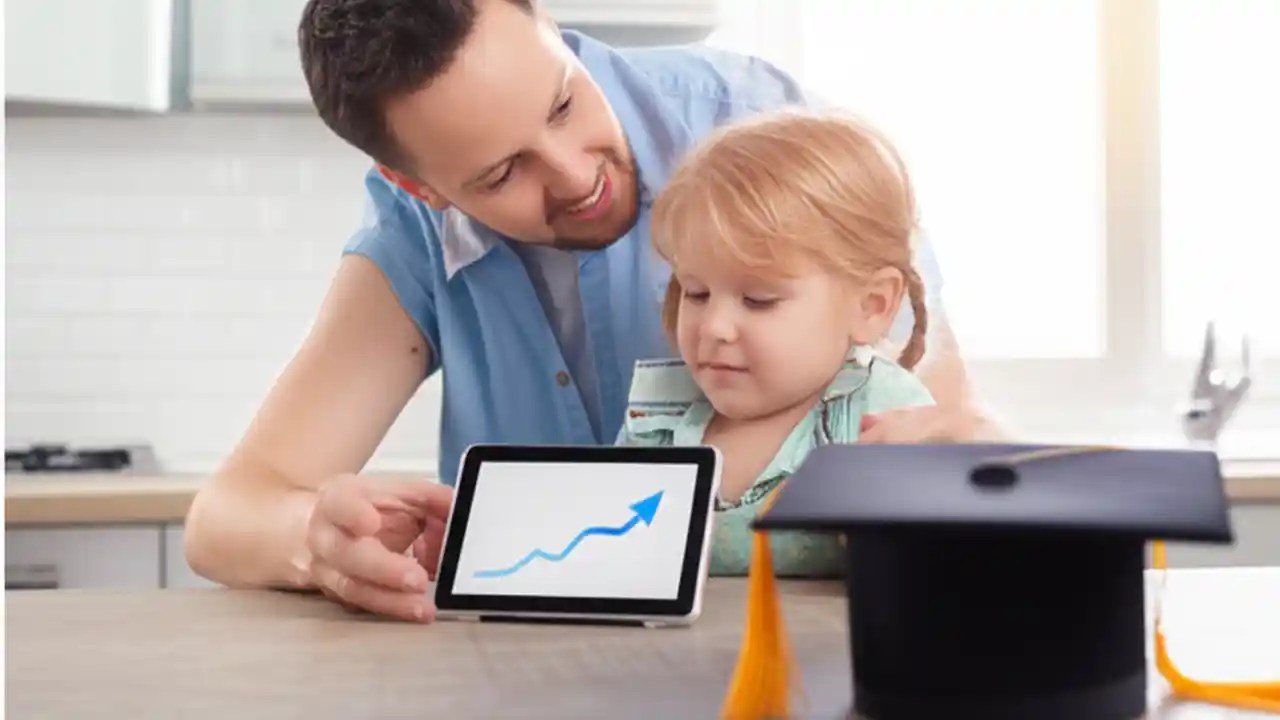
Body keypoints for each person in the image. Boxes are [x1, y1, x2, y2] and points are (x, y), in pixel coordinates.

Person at [183, 0, 1003, 623]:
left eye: (564, 103)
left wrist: (955, 468)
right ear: (421, 188)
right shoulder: (414, 236)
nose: (576, 176)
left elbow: (938, 412)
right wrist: (317, 543)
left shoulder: (758, 129)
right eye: (503, 173)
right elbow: (226, 517)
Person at [617, 109, 935, 577]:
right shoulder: (656, 414)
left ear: (870, 305)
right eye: (696, 292)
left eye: (759, 299)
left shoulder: (884, 415)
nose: (715, 327)